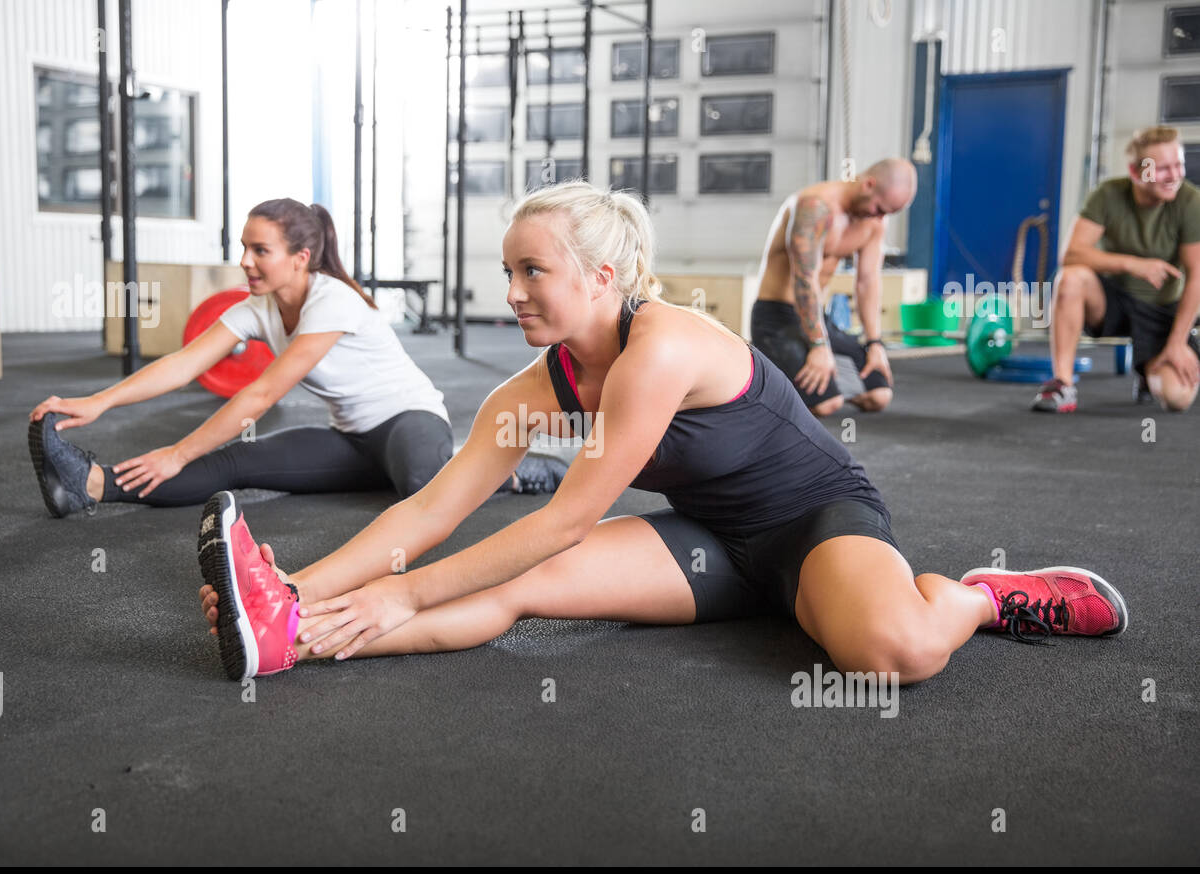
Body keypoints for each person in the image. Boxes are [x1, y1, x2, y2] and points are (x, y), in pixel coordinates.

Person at [195, 181, 1127, 684]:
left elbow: (561, 520)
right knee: (519, 589)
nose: (512, 292)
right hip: (708, 543)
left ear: (603, 277)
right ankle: (295, 638)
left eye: (534, 271)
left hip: (814, 522)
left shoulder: (664, 346)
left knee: (899, 654)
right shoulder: (544, 382)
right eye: (506, 270)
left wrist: (404, 594)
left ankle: (981, 598)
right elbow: (435, 507)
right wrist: (288, 587)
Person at [27, 199, 566, 517]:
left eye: (260, 250)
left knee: (423, 490)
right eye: (244, 247)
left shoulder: (331, 299)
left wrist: (176, 451)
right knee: (234, 463)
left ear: (300, 258)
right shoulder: (258, 307)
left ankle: (517, 474)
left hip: (410, 420)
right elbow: (185, 363)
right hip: (353, 439)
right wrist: (98, 402)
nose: (244, 261)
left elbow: (262, 393)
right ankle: (90, 486)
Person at [1034, 125, 1200, 413]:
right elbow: (1070, 254)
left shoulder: (1190, 202)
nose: (1174, 176)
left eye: (1178, 165)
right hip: (1114, 304)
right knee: (1070, 278)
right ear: (1136, 173)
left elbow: (1198, 276)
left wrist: (1175, 345)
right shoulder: (1109, 195)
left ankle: (1150, 373)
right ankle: (1062, 383)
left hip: (1163, 311)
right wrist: (1132, 264)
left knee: (1177, 398)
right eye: (1162, 168)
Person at [750, 158, 917, 418]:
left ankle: (816, 378)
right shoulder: (814, 206)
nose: (880, 217)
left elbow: (867, 281)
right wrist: (819, 345)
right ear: (868, 184)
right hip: (776, 318)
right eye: (879, 208)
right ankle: (769, 377)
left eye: (887, 213)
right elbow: (804, 279)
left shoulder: (874, 221)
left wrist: (875, 343)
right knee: (827, 404)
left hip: (818, 318)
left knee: (878, 395)